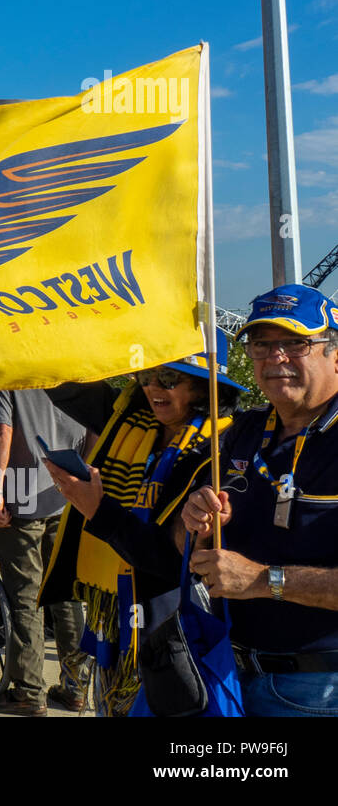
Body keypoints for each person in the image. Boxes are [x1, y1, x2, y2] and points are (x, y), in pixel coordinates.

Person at [40, 329, 244, 716]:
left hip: (173, 632)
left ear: (203, 387)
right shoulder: (126, 420)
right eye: (145, 376)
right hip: (115, 625)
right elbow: (60, 380)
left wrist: (97, 509)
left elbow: (171, 560)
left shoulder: (222, 451)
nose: (153, 387)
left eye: (168, 378)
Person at [179, 284, 338, 717]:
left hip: (320, 689)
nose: (275, 358)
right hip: (227, 673)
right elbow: (185, 546)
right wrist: (196, 526)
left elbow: (249, 576)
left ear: (334, 352)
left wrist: (263, 580)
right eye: (261, 345)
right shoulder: (243, 431)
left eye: (295, 342)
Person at [0, 386, 87, 716]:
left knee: (25, 596)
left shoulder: (7, 373)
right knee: (67, 592)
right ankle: (76, 686)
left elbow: (2, 430)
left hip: (22, 501)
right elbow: (92, 430)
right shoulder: (73, 366)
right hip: (68, 493)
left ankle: (28, 690)